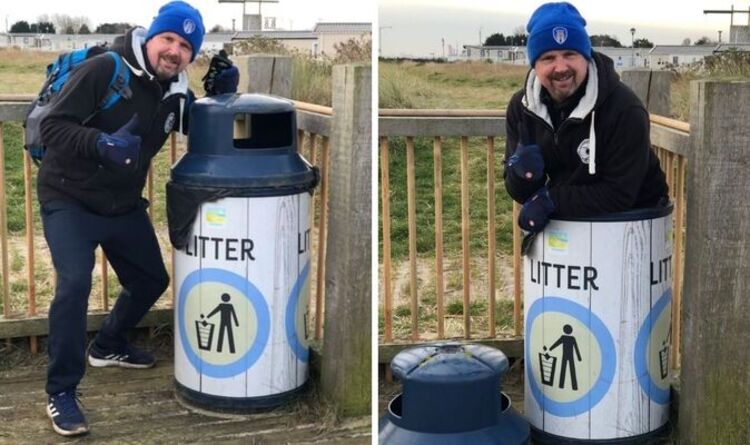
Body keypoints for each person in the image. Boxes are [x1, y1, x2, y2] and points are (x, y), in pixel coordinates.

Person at [38, 1, 238, 436]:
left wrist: (222, 96)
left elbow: (194, 127)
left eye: (186, 46)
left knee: (151, 279)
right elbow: (53, 127)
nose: (175, 50)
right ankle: (62, 392)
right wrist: (100, 143)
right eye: (169, 38)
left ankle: (108, 345)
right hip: (68, 197)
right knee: (74, 284)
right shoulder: (105, 70)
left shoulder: (176, 91)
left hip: (121, 204)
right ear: (152, 37)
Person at [504, 2, 668, 234]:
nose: (561, 67)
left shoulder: (624, 108)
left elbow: (620, 193)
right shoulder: (521, 108)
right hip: (571, 226)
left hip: (635, 224)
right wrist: (522, 175)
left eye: (570, 54)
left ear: (585, 56)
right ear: (535, 65)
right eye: (548, 58)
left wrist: (551, 199)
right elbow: (520, 192)